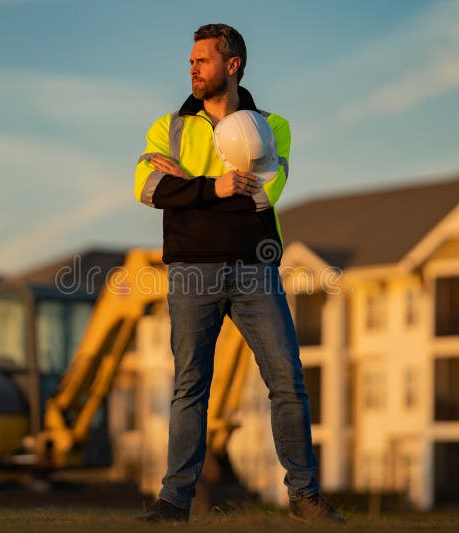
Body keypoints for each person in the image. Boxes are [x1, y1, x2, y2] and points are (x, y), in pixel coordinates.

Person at [133, 23, 345, 524]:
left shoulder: (274, 126)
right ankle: (174, 502)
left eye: (202, 60)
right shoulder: (168, 127)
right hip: (189, 272)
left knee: (288, 381)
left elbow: (262, 197)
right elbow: (146, 189)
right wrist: (216, 188)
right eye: (190, 60)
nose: (192, 68)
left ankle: (304, 496)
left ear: (233, 65)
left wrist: (187, 188)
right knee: (190, 387)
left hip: (255, 269)